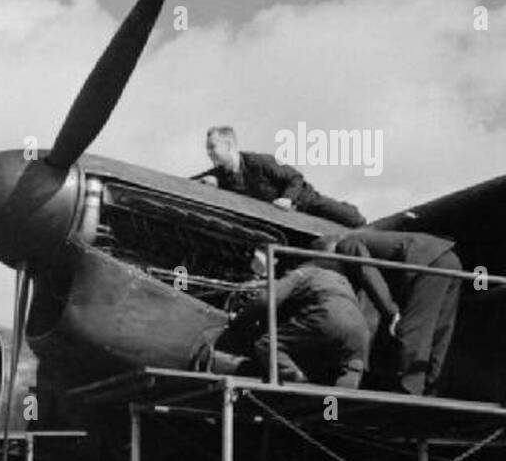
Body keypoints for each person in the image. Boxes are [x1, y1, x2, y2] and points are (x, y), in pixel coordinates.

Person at [326, 230, 462, 396]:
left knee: (414, 328)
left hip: (427, 261)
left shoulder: (346, 243)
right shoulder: (377, 243)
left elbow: (366, 272)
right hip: (449, 260)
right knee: (440, 330)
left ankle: (410, 392)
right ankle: (432, 386)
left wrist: (390, 311)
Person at [229, 248, 370, 388]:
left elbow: (265, 300)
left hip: (327, 318)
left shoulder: (304, 272)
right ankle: (335, 408)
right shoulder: (342, 280)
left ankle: (298, 382)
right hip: (361, 331)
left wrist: (238, 323)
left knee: (266, 344)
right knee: (348, 371)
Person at [195, 126, 365, 228]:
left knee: (351, 219)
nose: (209, 153)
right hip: (279, 220)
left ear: (229, 145)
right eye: (207, 149)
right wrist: (203, 185)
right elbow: (187, 183)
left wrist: (287, 199)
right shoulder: (218, 175)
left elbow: (295, 177)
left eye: (212, 147)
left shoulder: (260, 162)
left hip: (304, 201)